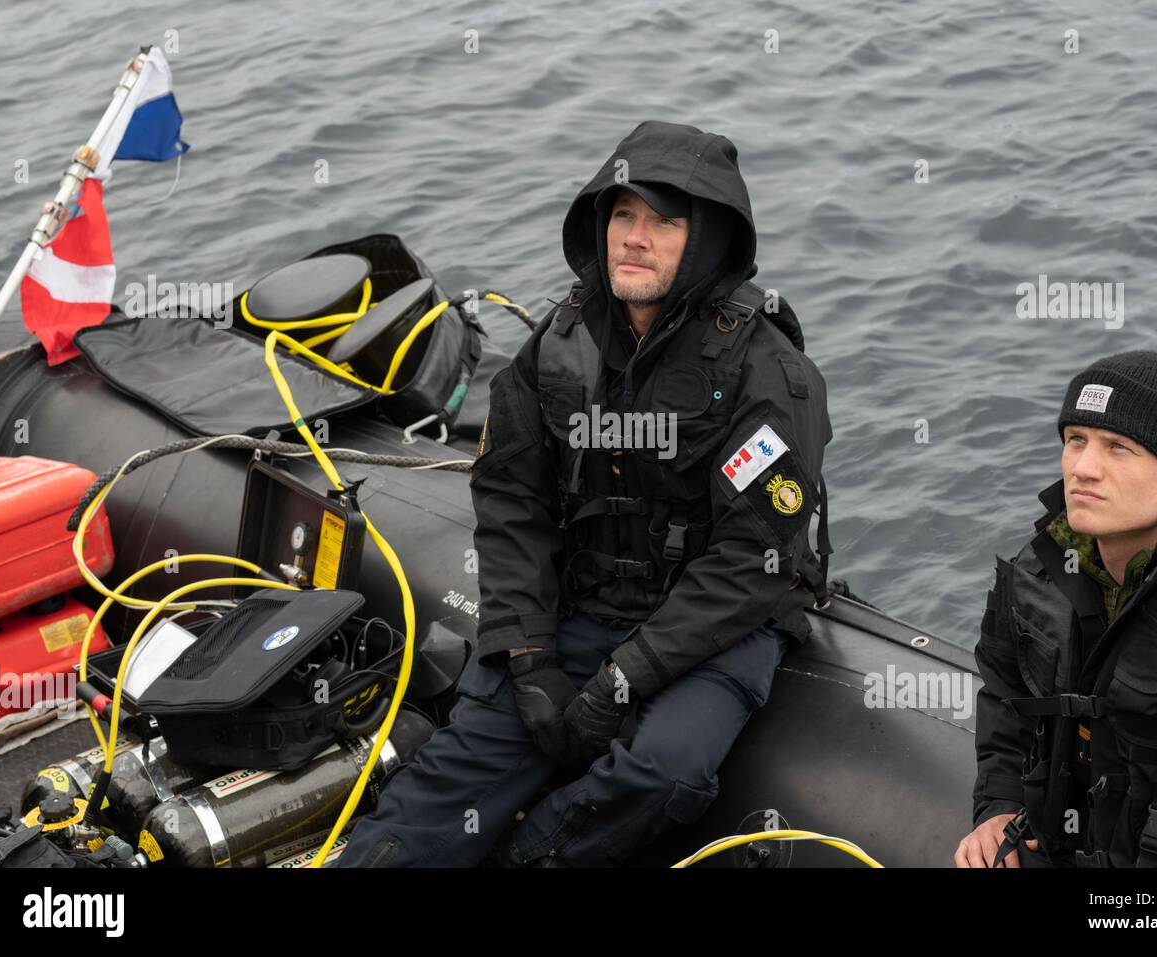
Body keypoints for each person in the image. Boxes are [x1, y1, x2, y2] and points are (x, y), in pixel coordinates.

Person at [337, 120, 833, 867]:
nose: (635, 237)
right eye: (623, 215)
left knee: (665, 769)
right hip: (583, 602)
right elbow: (510, 499)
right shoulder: (558, 346)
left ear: (707, 241)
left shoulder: (768, 373)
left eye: (663, 221)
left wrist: (622, 681)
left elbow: (750, 560)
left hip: (715, 631)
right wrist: (530, 656)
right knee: (453, 773)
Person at [958, 351, 1157, 868]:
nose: (1083, 468)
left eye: (1118, 448)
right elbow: (1005, 691)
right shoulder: (1041, 571)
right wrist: (998, 805)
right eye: (1075, 440)